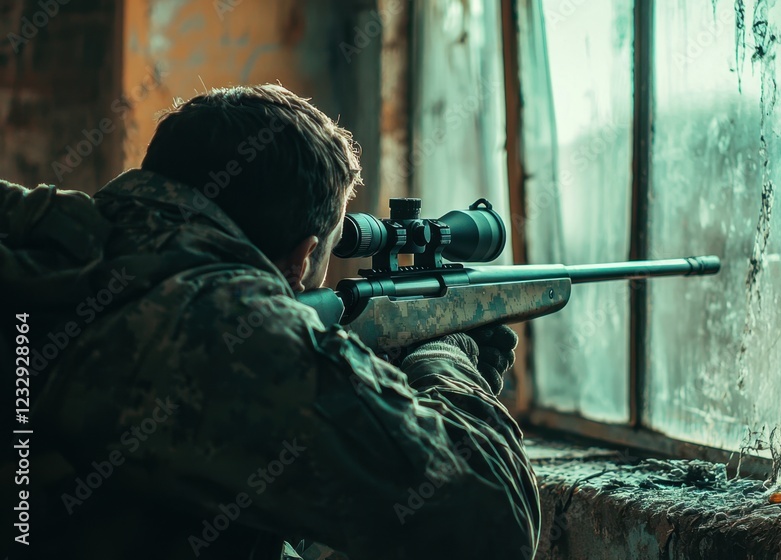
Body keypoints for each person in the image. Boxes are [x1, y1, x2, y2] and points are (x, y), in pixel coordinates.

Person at [1, 84, 539, 559]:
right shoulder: (223, 326)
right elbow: (493, 523)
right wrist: (446, 357)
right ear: (301, 259)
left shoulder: (44, 232)